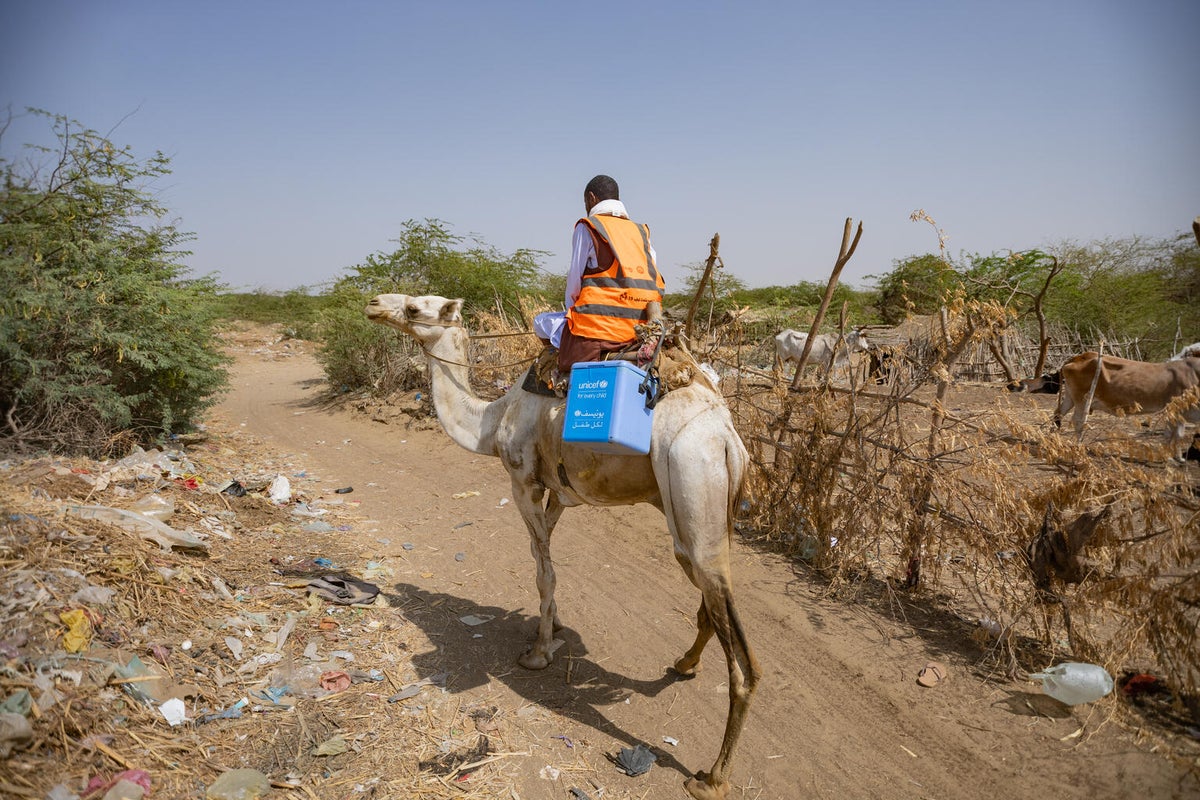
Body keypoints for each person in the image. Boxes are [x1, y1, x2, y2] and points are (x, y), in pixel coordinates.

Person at [533, 175, 665, 375]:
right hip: (642, 328)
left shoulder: (589, 226)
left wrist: (573, 316)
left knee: (540, 322)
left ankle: (563, 380)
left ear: (591, 198)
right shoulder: (641, 232)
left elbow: (574, 284)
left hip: (597, 328)